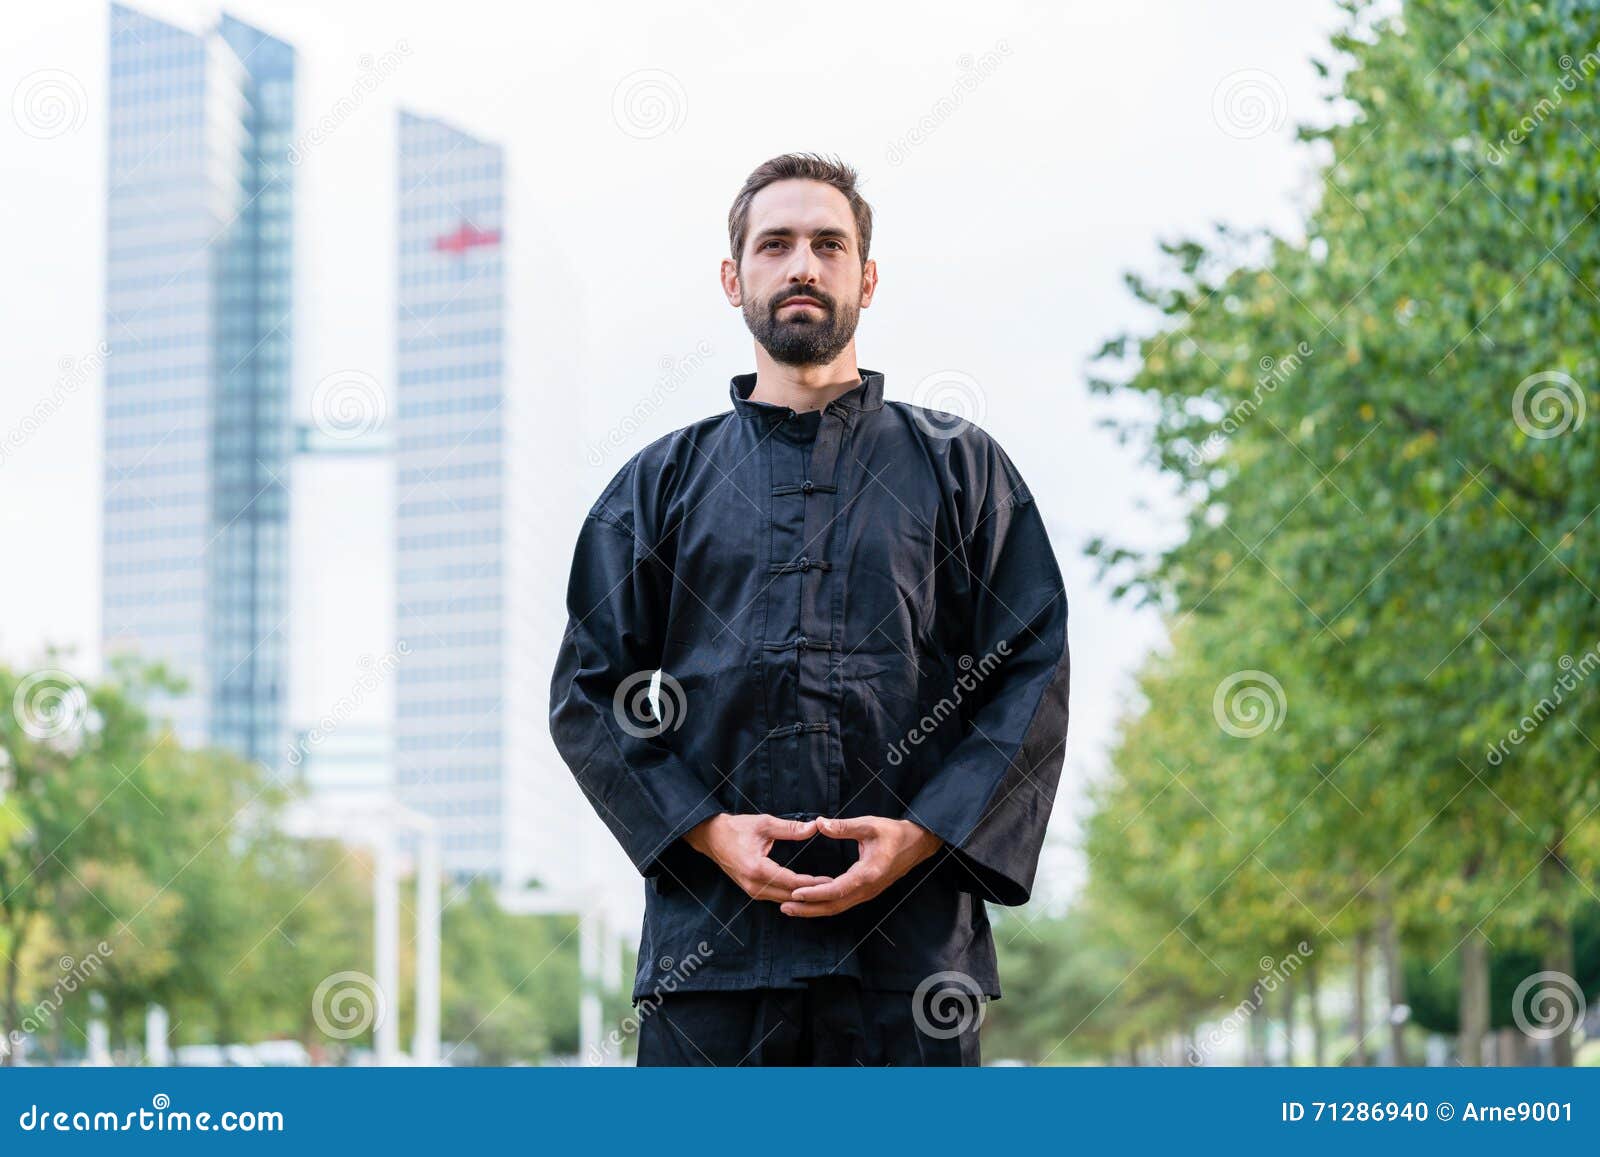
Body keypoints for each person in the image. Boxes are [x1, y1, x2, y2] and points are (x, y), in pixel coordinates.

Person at [549, 152, 1070, 1066]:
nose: (803, 265)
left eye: (829, 245)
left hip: (911, 965)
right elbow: (590, 689)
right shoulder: (659, 485)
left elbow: (1030, 666)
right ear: (732, 277)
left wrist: (923, 835)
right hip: (712, 961)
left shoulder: (960, 467)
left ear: (866, 278)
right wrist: (706, 832)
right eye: (775, 244)